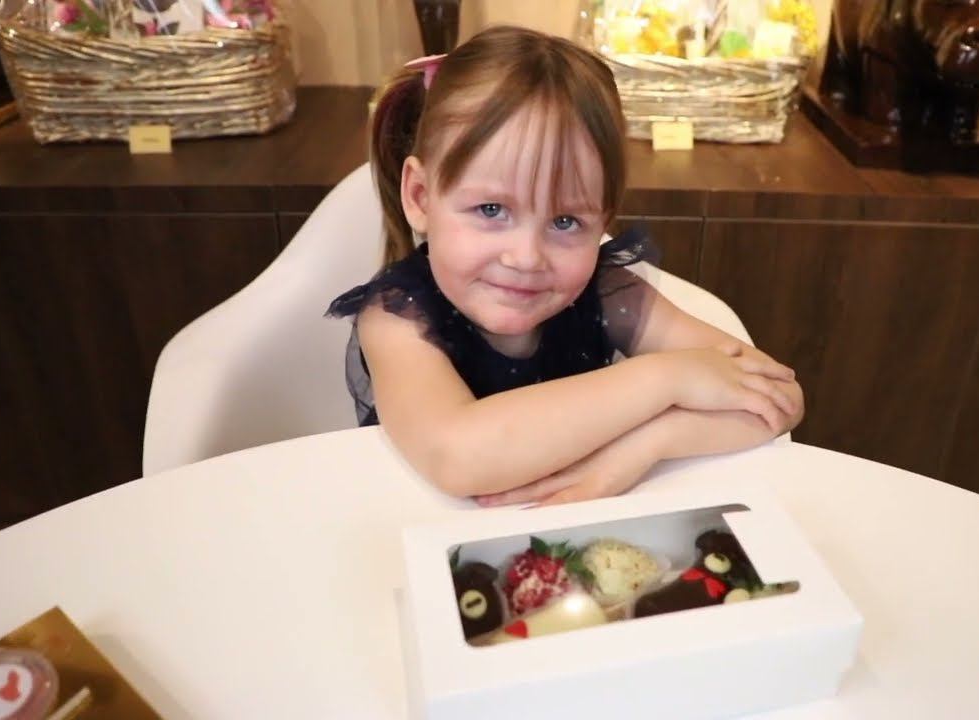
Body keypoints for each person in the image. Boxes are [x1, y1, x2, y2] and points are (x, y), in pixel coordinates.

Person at [327, 26, 803, 506]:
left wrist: (644, 447)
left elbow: (778, 398)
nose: (526, 257)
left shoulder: (607, 294)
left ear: (603, 221)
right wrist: (668, 379)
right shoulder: (396, 318)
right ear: (420, 197)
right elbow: (459, 457)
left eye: (565, 220)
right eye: (491, 210)